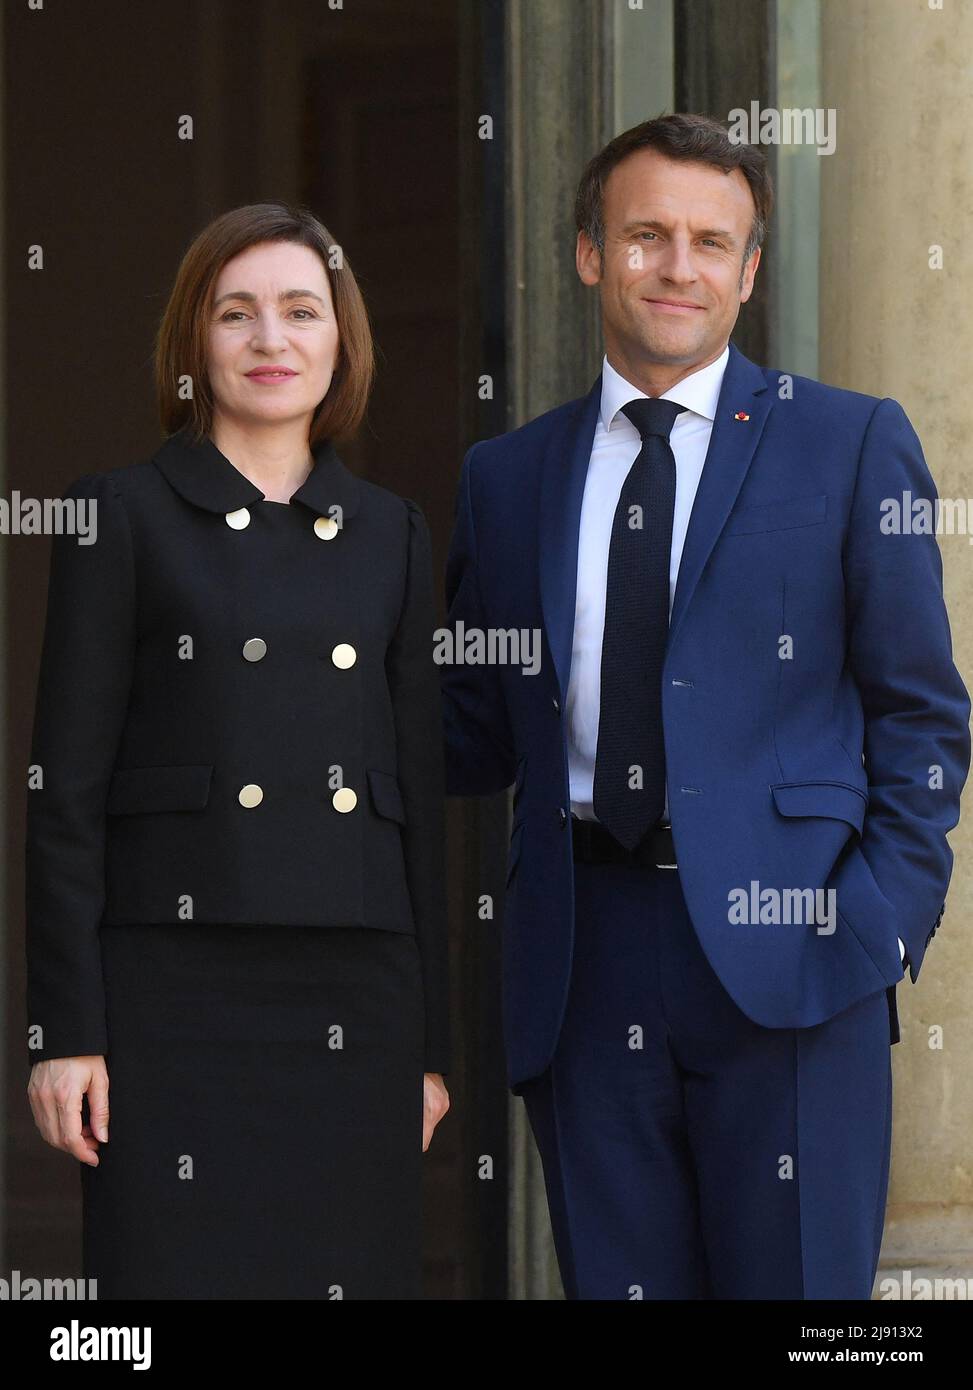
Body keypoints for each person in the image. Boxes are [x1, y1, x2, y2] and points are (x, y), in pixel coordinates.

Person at [441, 114, 971, 1299]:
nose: (678, 266)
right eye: (645, 235)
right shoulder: (507, 476)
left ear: (748, 271)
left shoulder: (846, 441)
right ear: (589, 254)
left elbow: (921, 713)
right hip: (582, 961)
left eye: (708, 241)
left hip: (796, 955)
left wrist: (875, 922)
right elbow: (468, 728)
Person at [25, 202, 450, 1300]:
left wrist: (433, 1047)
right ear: (194, 343)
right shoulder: (117, 515)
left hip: (353, 997)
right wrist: (66, 1031)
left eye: (301, 311)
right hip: (172, 996)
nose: (271, 340)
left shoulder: (392, 532)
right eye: (237, 314)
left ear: (340, 339)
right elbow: (64, 796)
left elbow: (417, 805)